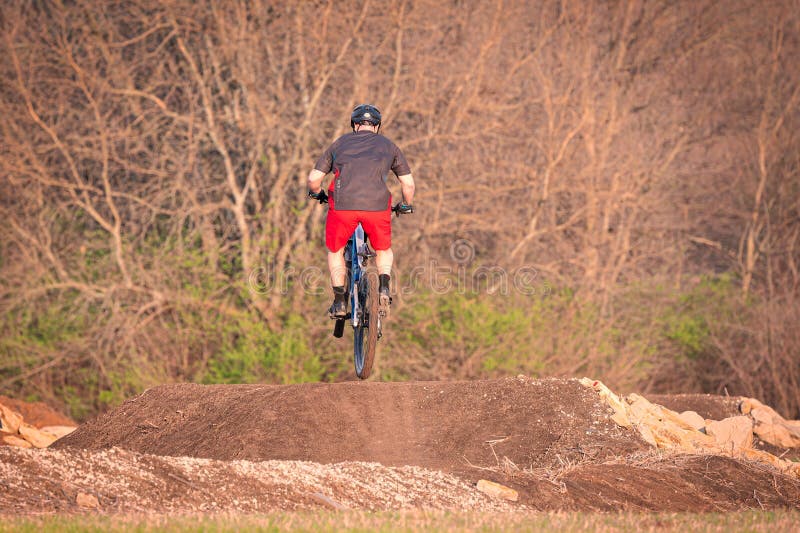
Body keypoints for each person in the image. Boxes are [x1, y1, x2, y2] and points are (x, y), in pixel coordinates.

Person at [307, 104, 415, 318]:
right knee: (383, 249)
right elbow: (408, 184)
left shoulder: (339, 144)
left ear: (354, 125)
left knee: (336, 250)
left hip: (342, 206)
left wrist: (317, 193)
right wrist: (405, 204)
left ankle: (339, 302)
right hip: (377, 206)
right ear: (377, 126)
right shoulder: (389, 146)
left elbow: (313, 179)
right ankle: (384, 286)